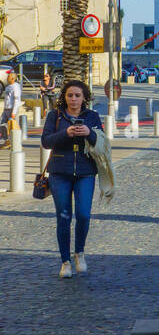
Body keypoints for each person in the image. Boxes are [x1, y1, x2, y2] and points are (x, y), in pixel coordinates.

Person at [41, 80, 103, 278]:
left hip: (85, 172)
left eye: (77, 95)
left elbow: (103, 141)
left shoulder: (92, 116)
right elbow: (46, 141)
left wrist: (90, 134)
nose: (73, 99)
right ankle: (65, 261)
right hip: (60, 171)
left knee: (84, 214)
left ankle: (80, 252)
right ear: (64, 97)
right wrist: (66, 133)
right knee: (64, 217)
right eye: (70, 95)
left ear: (84, 97)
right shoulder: (55, 116)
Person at [0, 70, 22, 143]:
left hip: (12, 109)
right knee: (2, 124)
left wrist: (14, 112)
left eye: (9, 76)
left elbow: (17, 99)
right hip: (6, 109)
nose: (7, 78)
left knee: (13, 127)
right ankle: (6, 140)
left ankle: (14, 142)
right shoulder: (8, 87)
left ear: (13, 78)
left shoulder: (16, 87)